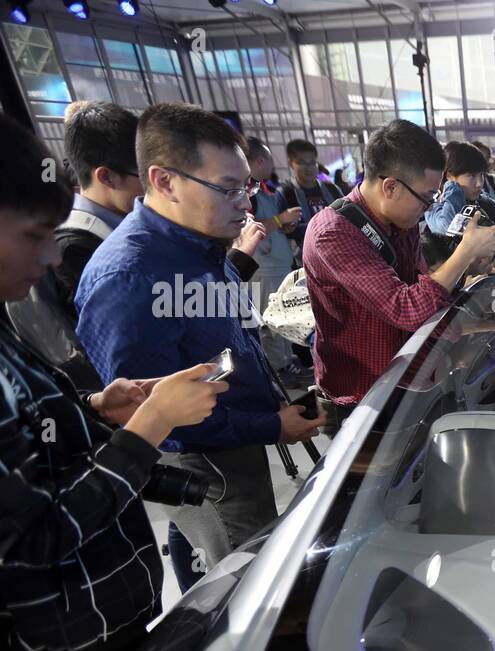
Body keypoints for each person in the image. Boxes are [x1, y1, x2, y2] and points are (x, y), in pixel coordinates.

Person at [0, 115, 227, 651]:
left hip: (105, 612)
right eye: (32, 236)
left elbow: (30, 445)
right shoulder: (122, 271)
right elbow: (39, 536)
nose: (49, 257)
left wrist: (90, 408)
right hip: (62, 645)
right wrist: (152, 425)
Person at [76, 103, 324, 584]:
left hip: (237, 437)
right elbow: (154, 421)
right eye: (229, 190)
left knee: (201, 552)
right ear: (165, 181)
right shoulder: (131, 277)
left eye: (247, 187)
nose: (245, 205)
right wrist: (270, 425)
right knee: (245, 574)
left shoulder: (201, 244)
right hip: (209, 463)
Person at [302, 120, 495, 436]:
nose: (429, 208)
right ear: (391, 187)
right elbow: (407, 308)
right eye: (426, 197)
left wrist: (468, 267)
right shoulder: (333, 233)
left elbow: (422, 287)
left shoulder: (401, 222)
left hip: (408, 379)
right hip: (364, 398)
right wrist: (463, 253)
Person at [4, 102, 142, 392]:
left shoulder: (107, 228)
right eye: (142, 175)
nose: (51, 258)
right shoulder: (77, 243)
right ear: (106, 176)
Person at [243, 137, 304, 379]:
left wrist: (284, 225)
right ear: (259, 160)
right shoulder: (248, 194)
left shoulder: (262, 190)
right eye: (269, 158)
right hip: (264, 270)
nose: (272, 164)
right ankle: (280, 367)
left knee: (285, 317)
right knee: (271, 322)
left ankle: (288, 361)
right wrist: (281, 219)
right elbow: (249, 229)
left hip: (277, 267)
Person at [424, 141, 495, 238]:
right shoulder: (434, 207)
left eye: (482, 175)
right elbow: (449, 226)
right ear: (449, 175)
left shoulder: (483, 202)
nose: (479, 183)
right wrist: (452, 185)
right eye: (472, 175)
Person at [276, 138, 344, 252]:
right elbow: (283, 231)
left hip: (336, 252)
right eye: (301, 162)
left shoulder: (332, 190)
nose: (309, 168)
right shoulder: (285, 193)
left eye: (312, 162)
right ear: (290, 163)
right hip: (303, 258)